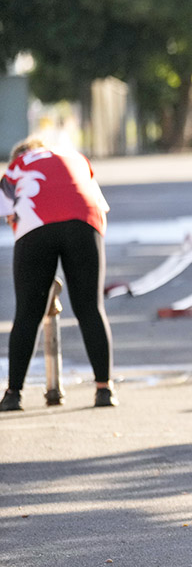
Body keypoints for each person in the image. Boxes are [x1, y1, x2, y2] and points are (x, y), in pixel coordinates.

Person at [0, 138, 117, 411]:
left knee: (28, 313)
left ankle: (13, 394)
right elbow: (100, 205)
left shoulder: (16, 166)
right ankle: (104, 389)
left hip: (36, 226)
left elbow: (8, 214)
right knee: (90, 307)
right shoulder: (75, 156)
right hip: (84, 221)